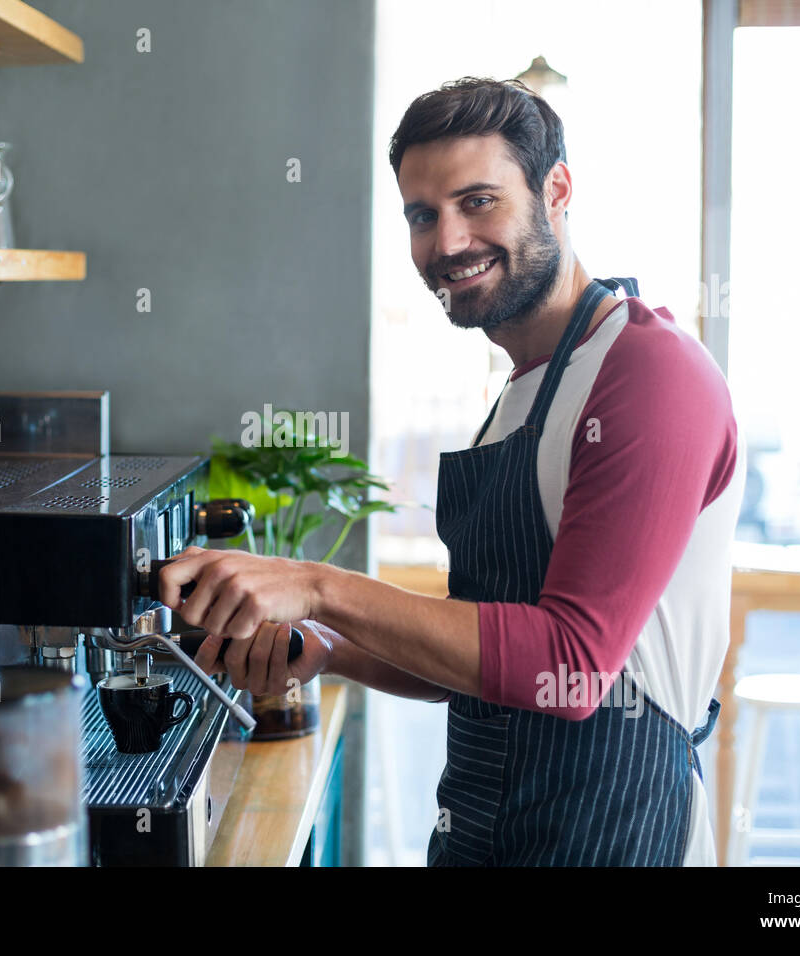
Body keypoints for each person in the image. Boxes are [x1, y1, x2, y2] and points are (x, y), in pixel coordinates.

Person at [159, 77, 744, 866]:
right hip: (485, 831)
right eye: (422, 216)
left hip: (612, 833)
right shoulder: (518, 390)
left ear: (557, 190)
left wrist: (321, 585)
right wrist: (329, 643)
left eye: (479, 202)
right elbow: (483, 651)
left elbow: (568, 667)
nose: (448, 243)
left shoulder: (649, 371)